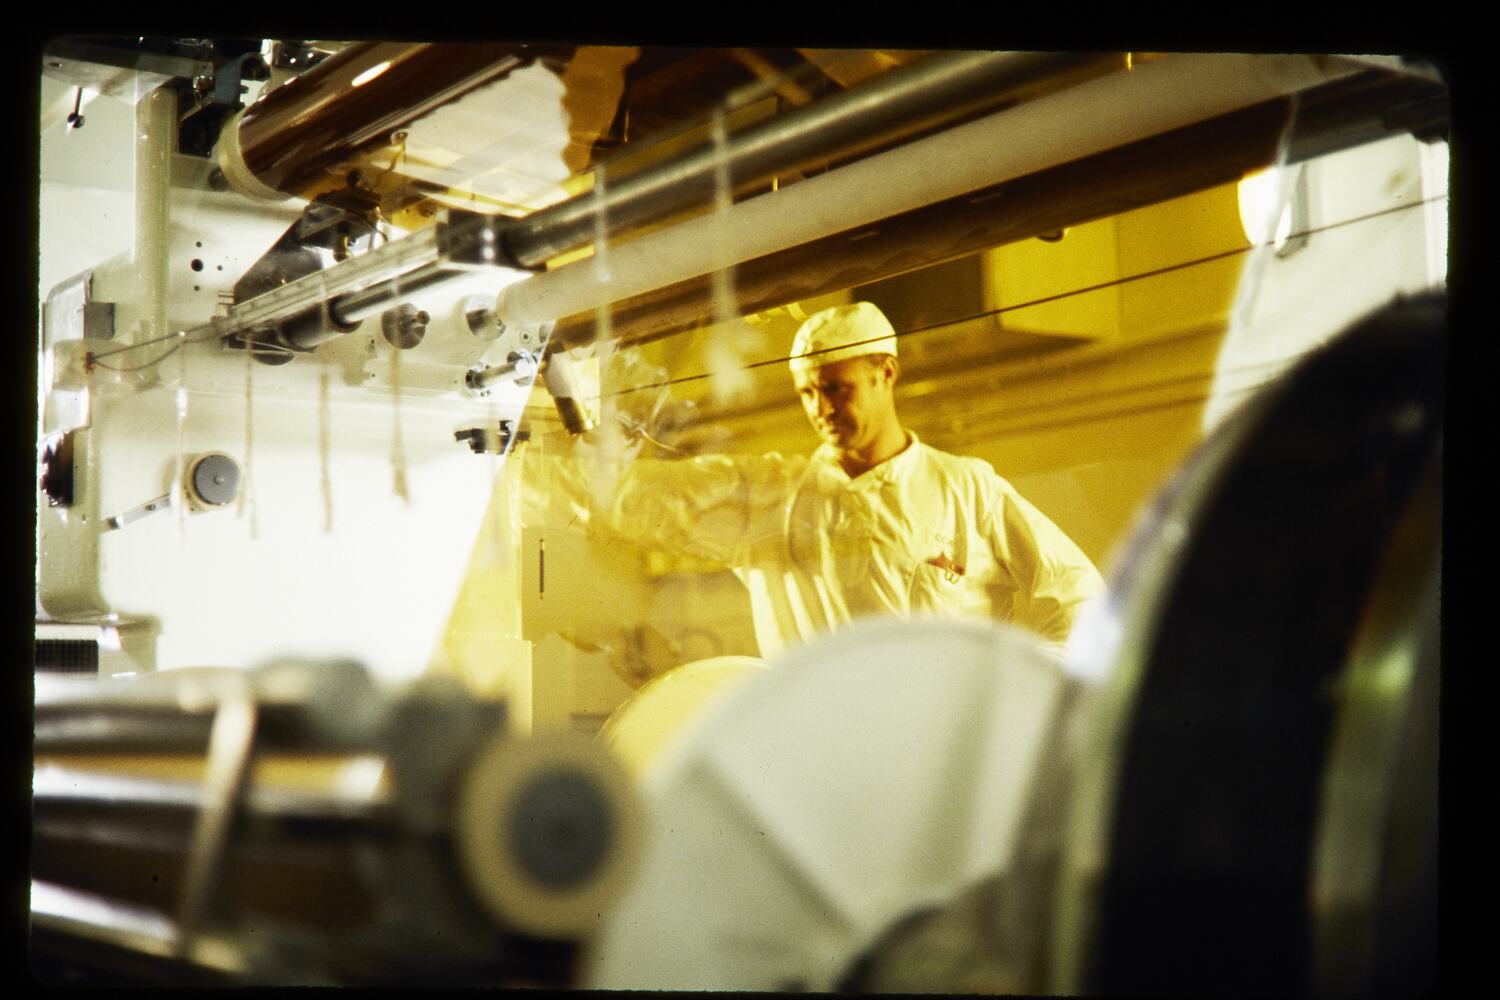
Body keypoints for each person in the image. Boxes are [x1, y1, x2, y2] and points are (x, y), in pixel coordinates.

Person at [564, 301, 1105, 661]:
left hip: (940, 750)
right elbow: (639, 499)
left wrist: (1029, 696)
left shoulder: (965, 488)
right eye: (807, 393)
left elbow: (1077, 594)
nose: (820, 408)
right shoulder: (771, 494)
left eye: (836, 389)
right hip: (817, 753)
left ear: (885, 372)